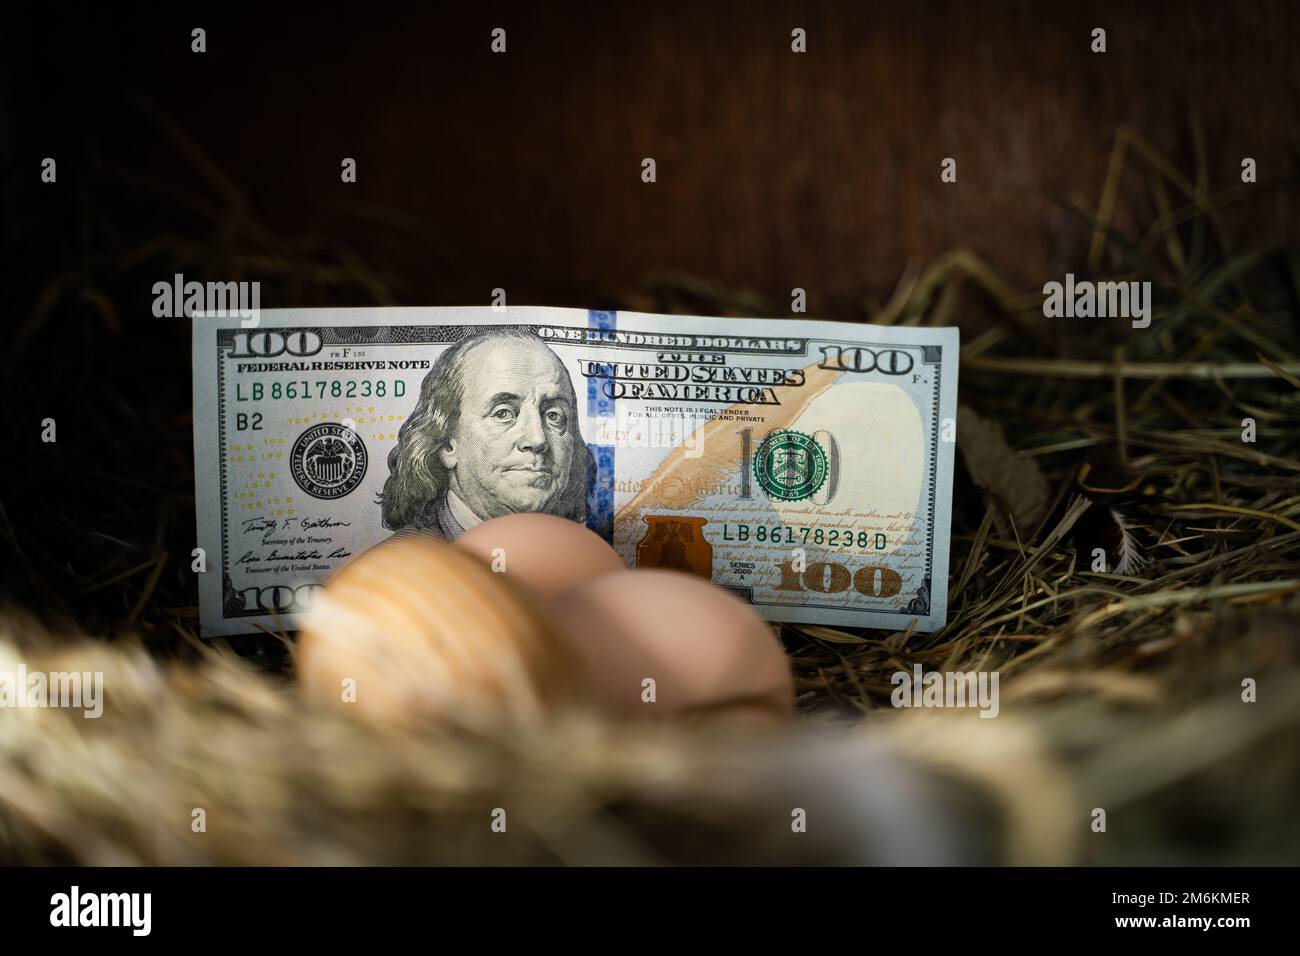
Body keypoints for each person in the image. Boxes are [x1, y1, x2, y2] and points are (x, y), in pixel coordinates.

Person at [379, 328, 593, 538]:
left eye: (554, 415)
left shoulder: (587, 559)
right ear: (447, 443)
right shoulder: (393, 565)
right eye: (503, 413)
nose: (537, 439)